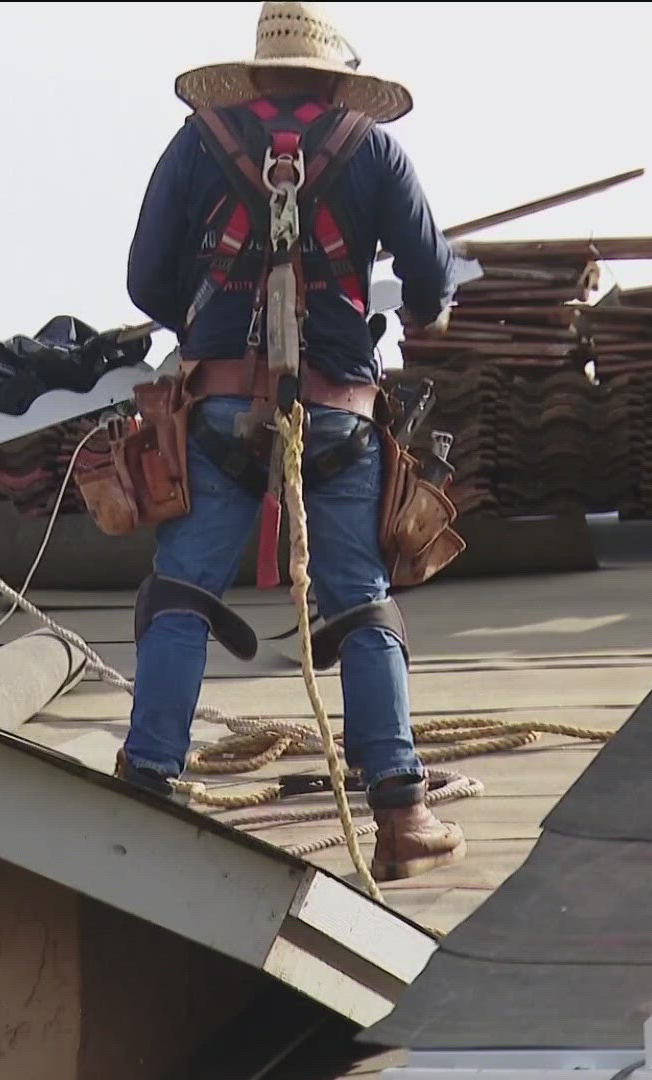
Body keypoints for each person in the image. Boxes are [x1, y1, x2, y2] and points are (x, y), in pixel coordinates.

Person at [119, 2, 463, 880]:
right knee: (360, 603)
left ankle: (148, 781)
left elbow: (145, 279)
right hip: (340, 409)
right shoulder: (372, 148)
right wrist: (412, 308)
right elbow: (426, 278)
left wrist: (209, 326)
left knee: (182, 592)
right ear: (335, 75)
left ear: (259, 72)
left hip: (220, 405)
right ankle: (401, 813)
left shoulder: (199, 142)